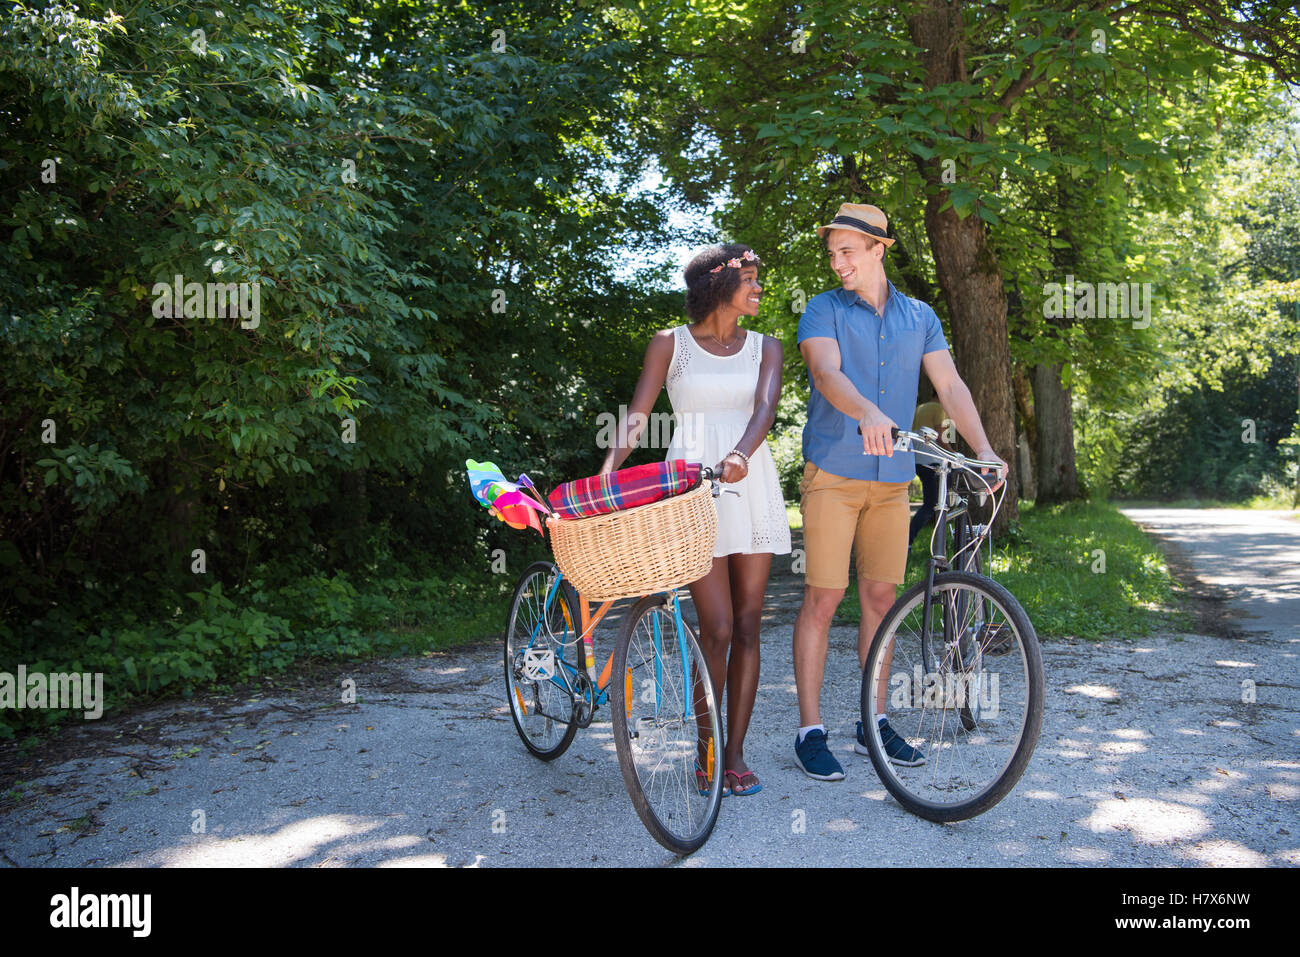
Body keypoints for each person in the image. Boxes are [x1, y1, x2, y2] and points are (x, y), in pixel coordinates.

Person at [792, 203, 1006, 781]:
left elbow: (950, 383)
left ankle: (872, 720)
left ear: (879, 249)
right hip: (833, 475)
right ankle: (810, 730)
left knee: (882, 601)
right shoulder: (822, 310)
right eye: (832, 253)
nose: (838, 263)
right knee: (823, 599)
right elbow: (825, 374)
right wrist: (868, 413)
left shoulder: (920, 317)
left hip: (891, 482)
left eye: (849, 252)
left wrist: (983, 448)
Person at [600, 243, 791, 796]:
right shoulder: (671, 344)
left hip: (748, 477)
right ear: (716, 286)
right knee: (718, 627)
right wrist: (609, 474)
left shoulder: (767, 347)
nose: (758, 289)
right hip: (692, 485)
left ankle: (732, 755)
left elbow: (765, 410)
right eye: (750, 279)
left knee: (750, 626)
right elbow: (638, 415)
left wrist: (740, 454)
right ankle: (705, 750)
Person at [908, 394, 953, 547]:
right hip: (934, 462)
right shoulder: (941, 409)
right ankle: (910, 538)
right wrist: (954, 455)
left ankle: (939, 539)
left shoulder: (919, 408)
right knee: (933, 504)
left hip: (917, 460)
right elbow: (943, 437)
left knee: (934, 502)